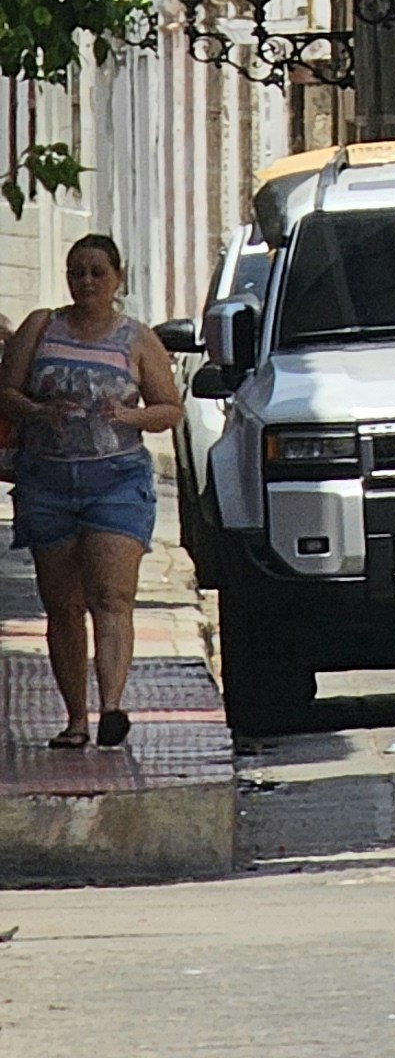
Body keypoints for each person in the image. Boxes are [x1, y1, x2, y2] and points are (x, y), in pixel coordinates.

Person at [0, 234, 180, 747]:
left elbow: (170, 409)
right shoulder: (42, 326)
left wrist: (129, 415)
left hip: (115, 482)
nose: (86, 282)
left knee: (112, 595)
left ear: (118, 279)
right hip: (48, 483)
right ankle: (75, 718)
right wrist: (37, 412)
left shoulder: (138, 340)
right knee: (61, 603)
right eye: (77, 272)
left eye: (98, 272)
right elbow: (6, 391)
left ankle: (112, 707)